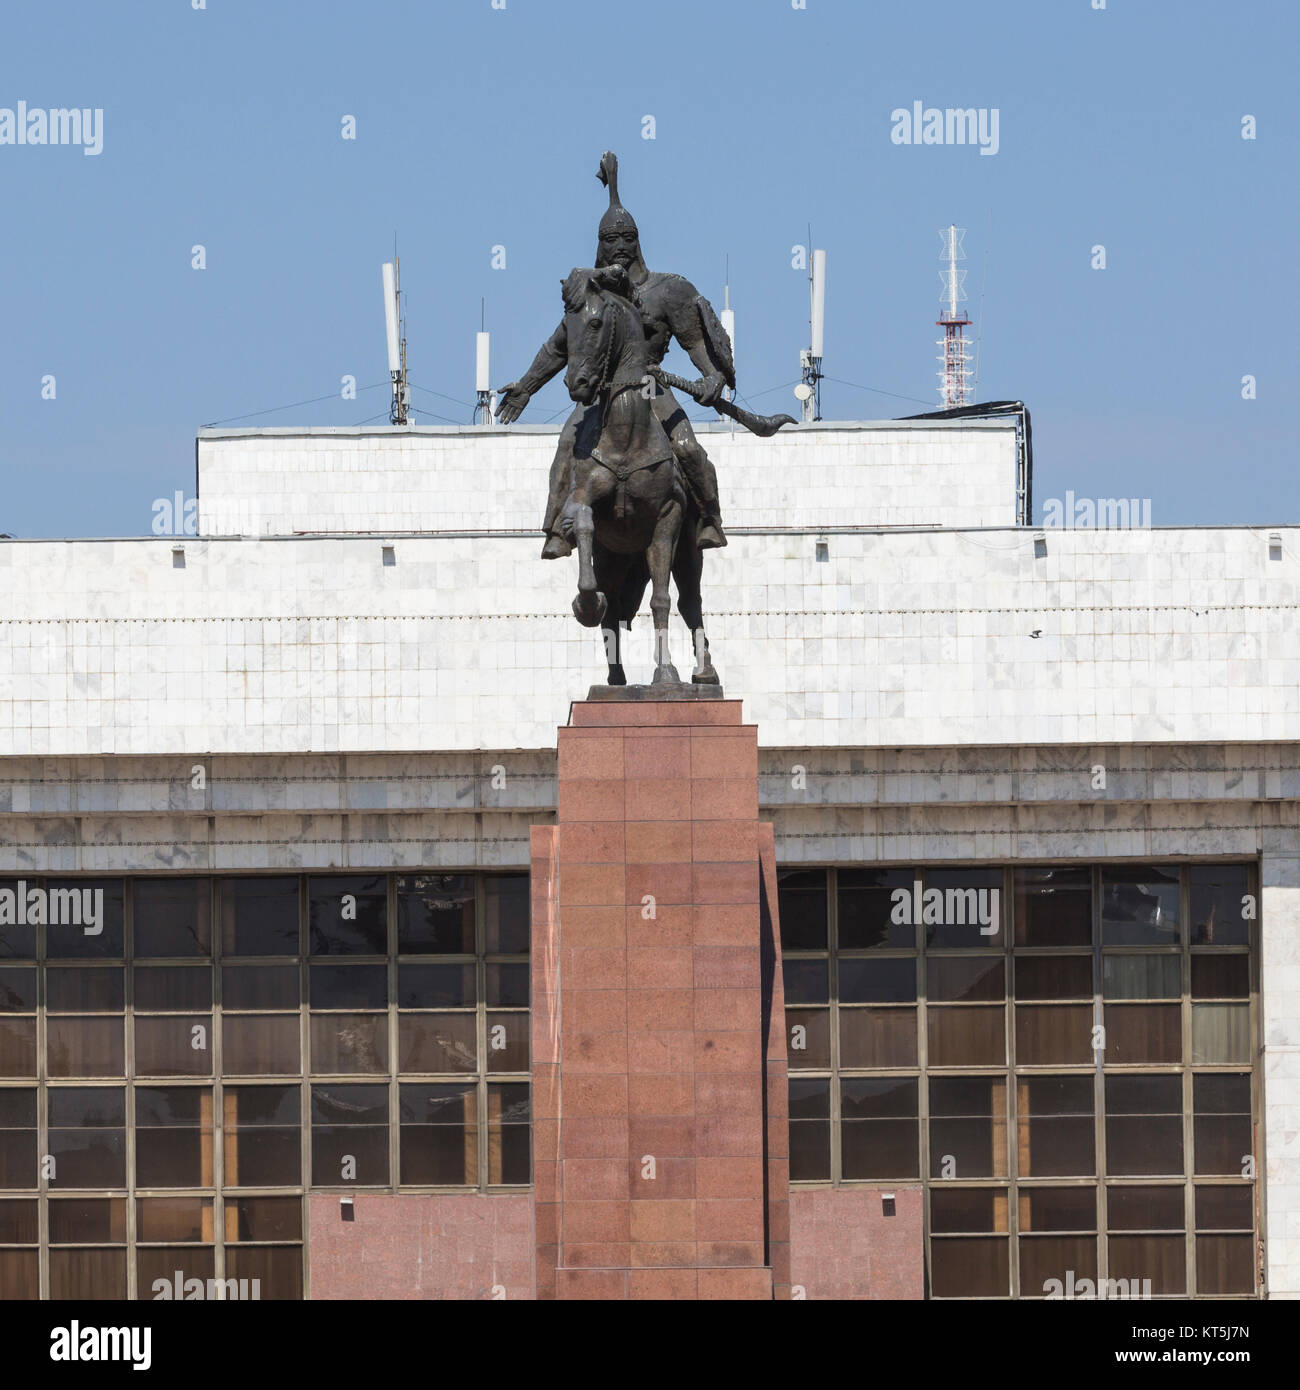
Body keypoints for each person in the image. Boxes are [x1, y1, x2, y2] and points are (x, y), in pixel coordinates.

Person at [498, 152, 737, 558]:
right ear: (600, 246)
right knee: (566, 443)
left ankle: (709, 519)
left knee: (688, 449)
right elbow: (559, 347)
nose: (620, 248)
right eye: (611, 242)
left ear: (639, 241)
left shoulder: (669, 290)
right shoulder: (594, 298)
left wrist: (712, 376)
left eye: (627, 240)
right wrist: (525, 387)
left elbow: (695, 342)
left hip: (650, 387)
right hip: (602, 396)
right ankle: (557, 527)